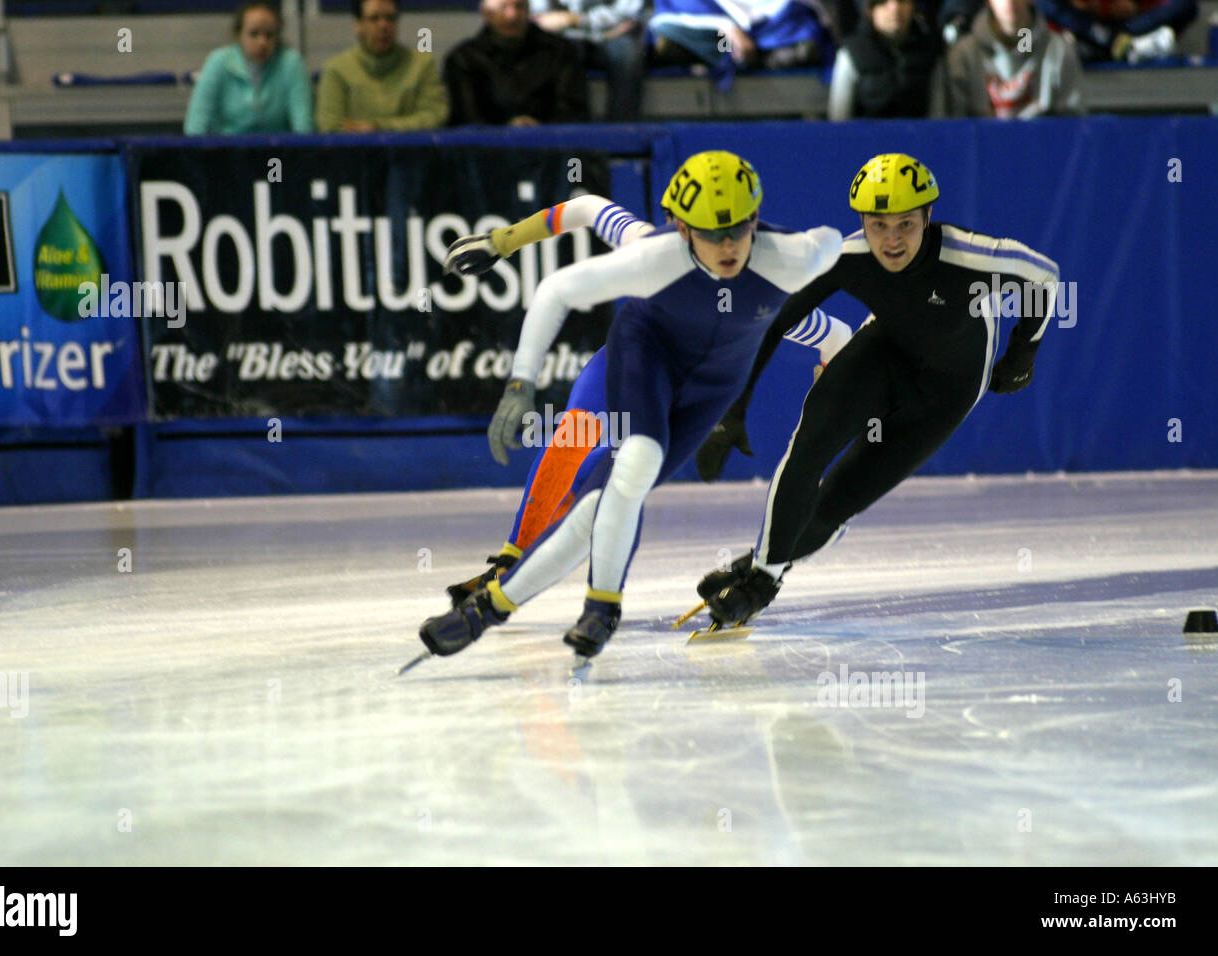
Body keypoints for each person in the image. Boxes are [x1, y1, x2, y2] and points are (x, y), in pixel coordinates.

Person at [415, 151, 843, 663]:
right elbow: (586, 208)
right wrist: (500, 242)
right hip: (635, 364)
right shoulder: (648, 250)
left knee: (604, 494)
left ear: (755, 221)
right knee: (575, 434)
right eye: (707, 232)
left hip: (703, 392)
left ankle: (545, 595)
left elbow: (836, 336)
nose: (725, 247)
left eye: (736, 231)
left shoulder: (784, 269)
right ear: (679, 228)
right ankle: (513, 558)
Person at [688, 153, 1060, 631]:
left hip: (946, 393)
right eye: (878, 225)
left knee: (838, 500)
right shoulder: (850, 257)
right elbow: (773, 321)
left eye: (906, 224)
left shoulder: (971, 256)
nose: (891, 239)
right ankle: (762, 576)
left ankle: (761, 569)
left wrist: (1021, 355)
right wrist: (733, 408)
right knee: (808, 447)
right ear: (862, 222)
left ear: (929, 216)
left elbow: (1045, 276)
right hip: (883, 354)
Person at [443, 0, 591, 125]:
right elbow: (468, 119)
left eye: (519, 6)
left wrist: (540, 130)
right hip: (488, 151)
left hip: (554, 147)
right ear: (486, 14)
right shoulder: (463, 58)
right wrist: (507, 133)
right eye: (503, 8)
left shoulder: (562, 52)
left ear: (528, 10)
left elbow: (573, 110)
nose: (512, 15)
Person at [315, 0, 449, 132]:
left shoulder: (422, 65)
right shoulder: (336, 69)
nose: (383, 25)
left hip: (413, 152)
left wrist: (377, 127)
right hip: (352, 153)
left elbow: (435, 116)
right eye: (374, 18)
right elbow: (330, 126)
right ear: (358, 25)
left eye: (390, 18)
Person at [932, 0, 1083, 117]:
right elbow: (952, 130)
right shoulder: (963, 55)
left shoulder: (1058, 49)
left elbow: (1073, 127)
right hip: (979, 154)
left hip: (1043, 153)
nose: (1010, 1)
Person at [184, 1, 313, 135]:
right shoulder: (218, 61)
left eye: (269, 35)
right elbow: (195, 125)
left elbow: (303, 127)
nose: (262, 42)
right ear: (238, 34)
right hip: (226, 150)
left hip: (279, 152)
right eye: (254, 34)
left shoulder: (292, 63)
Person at [648, 0, 835, 91]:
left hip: (768, 27)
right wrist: (725, 25)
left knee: (804, 31)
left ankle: (758, 56)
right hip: (719, 35)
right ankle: (737, 59)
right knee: (666, 28)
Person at [529, 0, 648, 121]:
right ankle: (568, 129)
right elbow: (536, 13)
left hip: (611, 33)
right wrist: (552, 20)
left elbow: (628, 12)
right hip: (560, 34)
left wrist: (578, 19)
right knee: (560, 51)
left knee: (628, 53)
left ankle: (623, 130)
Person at [828, 0, 945, 120]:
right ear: (871, 10)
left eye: (902, 1)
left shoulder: (931, 50)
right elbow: (839, 118)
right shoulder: (851, 52)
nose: (895, 8)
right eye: (883, 2)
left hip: (920, 135)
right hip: (865, 136)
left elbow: (939, 113)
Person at [1034, 0, 1197, 62]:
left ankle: (1127, 48)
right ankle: (1125, 48)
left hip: (1123, 29)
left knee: (1185, 5)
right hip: (1081, 30)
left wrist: (1134, 7)